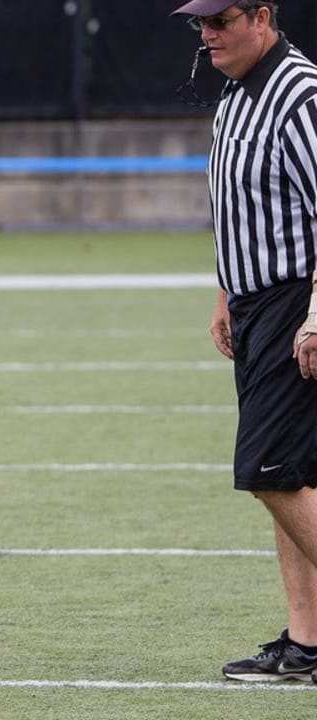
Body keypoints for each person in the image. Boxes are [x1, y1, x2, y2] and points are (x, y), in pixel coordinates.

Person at [173, 0, 317, 682]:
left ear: (262, 16)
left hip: (299, 303)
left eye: (220, 21)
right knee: (294, 475)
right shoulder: (235, 95)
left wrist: (315, 312)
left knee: (265, 469)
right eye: (199, 24)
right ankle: (306, 643)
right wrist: (227, 290)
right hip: (256, 303)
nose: (207, 35)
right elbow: (242, 204)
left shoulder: (300, 93)